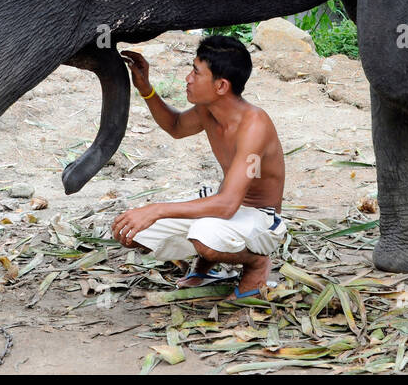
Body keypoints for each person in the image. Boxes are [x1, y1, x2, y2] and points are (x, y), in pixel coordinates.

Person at [112, 35, 287, 299]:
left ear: (221, 86)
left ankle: (256, 263)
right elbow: (175, 126)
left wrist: (157, 210)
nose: (187, 78)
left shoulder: (255, 125)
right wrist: (145, 88)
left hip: (259, 217)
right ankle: (207, 263)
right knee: (132, 231)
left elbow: (227, 205)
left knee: (204, 235)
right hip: (224, 207)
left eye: (196, 71)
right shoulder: (208, 110)